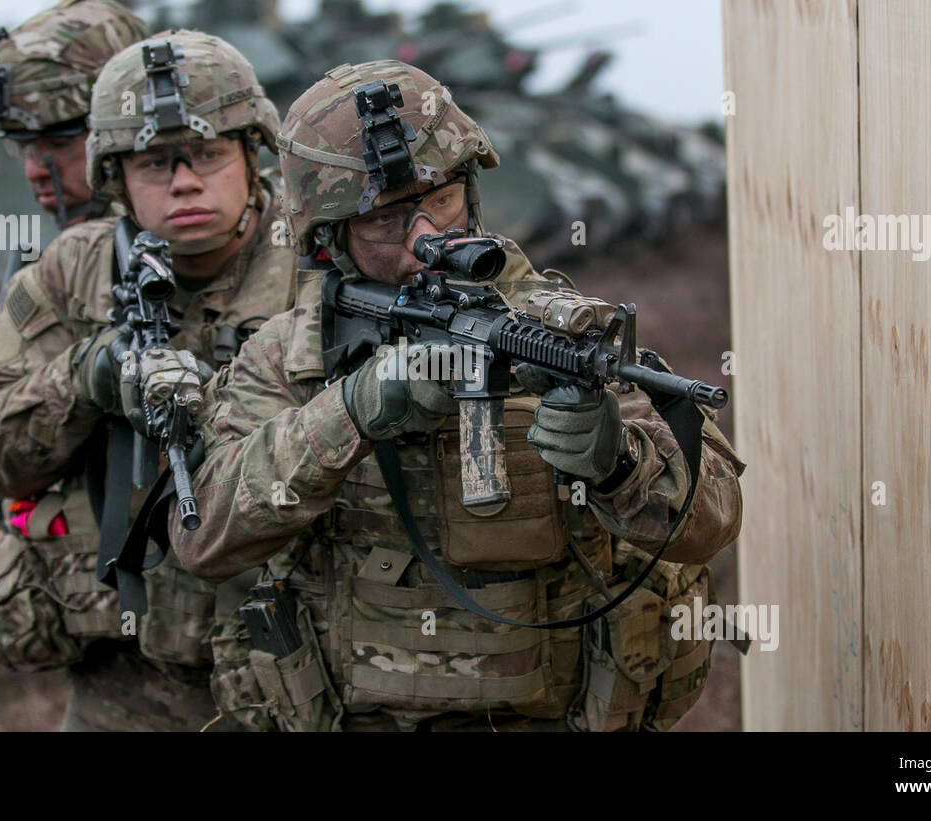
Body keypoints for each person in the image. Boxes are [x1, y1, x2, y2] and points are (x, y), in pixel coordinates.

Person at [168, 60, 746, 732]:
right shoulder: (289, 357)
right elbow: (202, 538)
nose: (424, 239)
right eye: (384, 218)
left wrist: (618, 464)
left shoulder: (555, 326)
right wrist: (351, 410)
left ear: (469, 190)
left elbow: (714, 519)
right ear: (329, 238)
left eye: (438, 200)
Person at [0, 30, 296, 731]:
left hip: (296, 669)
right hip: (127, 683)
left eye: (206, 153)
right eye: (152, 163)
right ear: (114, 177)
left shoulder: (321, 258)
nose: (183, 182)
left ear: (250, 151)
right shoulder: (72, 272)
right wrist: (86, 377)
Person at [0, 0, 150, 642]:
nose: (33, 168)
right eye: (21, 143)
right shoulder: (50, 261)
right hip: (94, 615)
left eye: (57, 141)